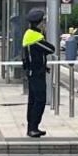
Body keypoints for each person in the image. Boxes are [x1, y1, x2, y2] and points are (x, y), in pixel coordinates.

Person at [22, 9, 55, 138]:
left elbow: (34, 56)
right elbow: (51, 49)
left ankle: (31, 127)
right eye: (43, 23)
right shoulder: (35, 37)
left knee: (32, 100)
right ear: (40, 23)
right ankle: (33, 127)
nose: (44, 25)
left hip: (33, 72)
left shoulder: (28, 33)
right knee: (40, 100)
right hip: (36, 73)